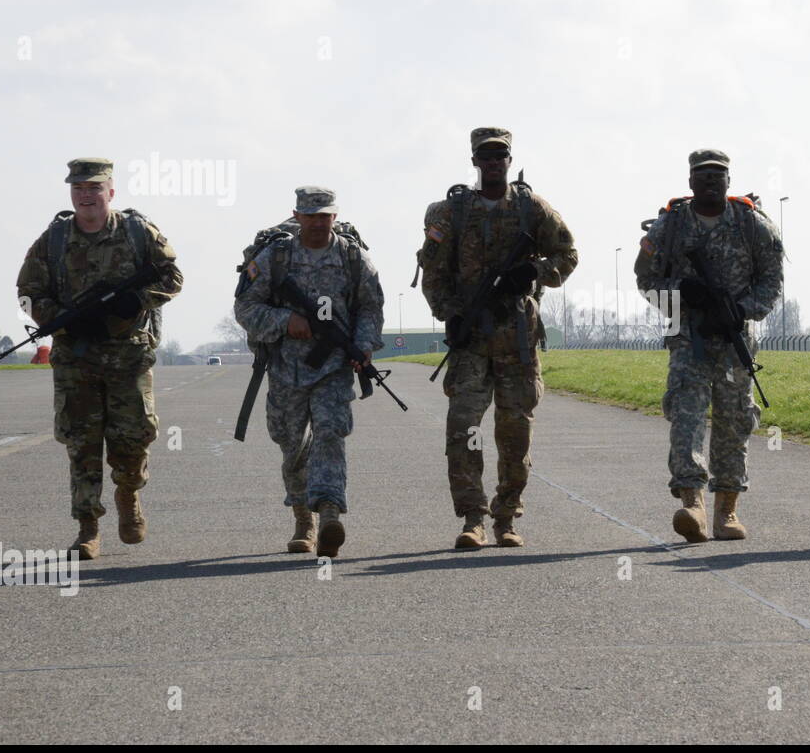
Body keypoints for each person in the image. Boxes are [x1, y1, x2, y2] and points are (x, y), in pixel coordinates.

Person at [417, 128, 578, 549]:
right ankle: (473, 517)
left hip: (517, 339)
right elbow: (431, 273)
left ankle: (507, 516)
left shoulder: (531, 208)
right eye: (485, 156)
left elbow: (568, 254)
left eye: (500, 156)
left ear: (509, 159)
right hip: (470, 339)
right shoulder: (451, 212)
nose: (493, 162)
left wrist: (535, 273)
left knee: (514, 432)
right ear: (474, 161)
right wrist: (449, 314)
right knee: (464, 428)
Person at [15, 157, 183, 559]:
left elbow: (172, 277)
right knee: (81, 443)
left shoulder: (138, 232)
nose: (86, 196)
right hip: (77, 356)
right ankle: (87, 528)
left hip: (129, 356)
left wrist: (135, 300)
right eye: (79, 189)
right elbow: (27, 292)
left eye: (94, 188)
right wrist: (59, 320)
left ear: (111, 191)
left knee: (133, 440)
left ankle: (129, 494)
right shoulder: (53, 241)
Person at [634, 148, 783, 542]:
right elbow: (644, 280)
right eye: (703, 176)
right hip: (689, 339)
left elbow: (772, 279)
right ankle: (692, 504)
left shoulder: (752, 225)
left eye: (718, 176)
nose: (711, 182)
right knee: (687, 418)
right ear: (690, 182)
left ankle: (727, 510)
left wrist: (743, 309)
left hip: (735, 341)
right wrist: (682, 294)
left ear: (729, 181)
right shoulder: (671, 228)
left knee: (734, 422)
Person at [234, 187, 385, 558]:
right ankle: (304, 517)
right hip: (286, 368)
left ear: (335, 216)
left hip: (333, 367)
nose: (318, 223)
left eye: (325, 216)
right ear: (297, 216)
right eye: (311, 215)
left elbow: (370, 308)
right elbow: (245, 309)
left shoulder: (353, 259)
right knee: (291, 447)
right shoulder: (276, 258)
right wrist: (287, 320)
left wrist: (363, 346)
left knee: (330, 432)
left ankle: (330, 511)